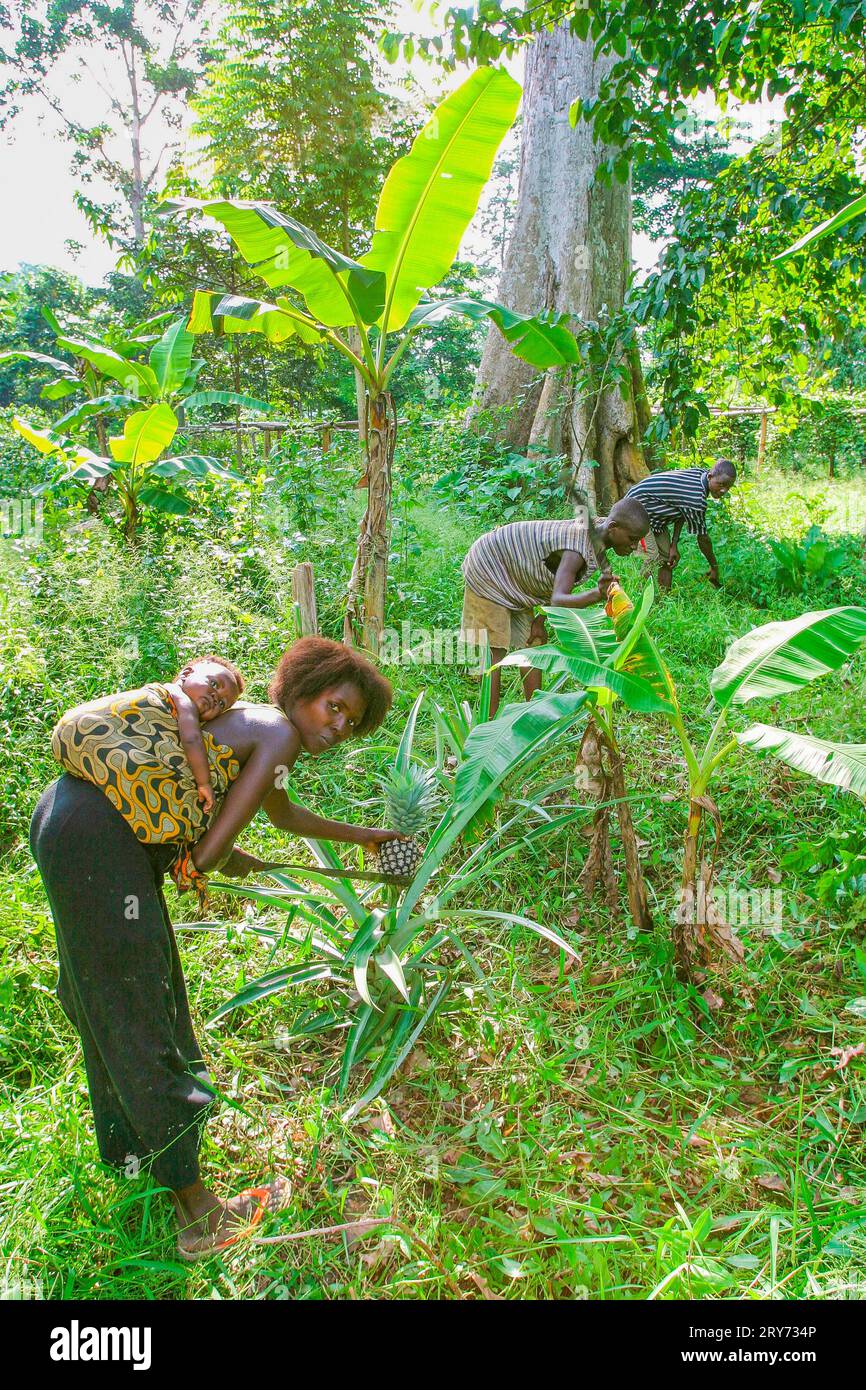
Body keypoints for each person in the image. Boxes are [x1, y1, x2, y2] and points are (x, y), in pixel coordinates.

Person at [30, 637, 403, 1260]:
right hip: (101, 842)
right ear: (301, 692)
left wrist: (364, 837)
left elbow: (279, 813)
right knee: (138, 1005)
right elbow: (202, 856)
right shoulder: (276, 731)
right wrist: (227, 859)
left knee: (108, 994)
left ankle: (132, 1159)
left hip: (72, 820)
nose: (339, 726)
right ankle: (201, 1216)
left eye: (352, 722)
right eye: (334, 707)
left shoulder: (256, 729)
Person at [459, 500, 651, 715]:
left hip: (519, 580)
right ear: (613, 527)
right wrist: (597, 595)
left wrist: (540, 619)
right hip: (489, 566)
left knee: (533, 645)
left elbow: (553, 579)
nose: (634, 546)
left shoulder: (598, 532)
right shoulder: (577, 550)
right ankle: (487, 724)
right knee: (494, 651)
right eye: (632, 539)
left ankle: (536, 717)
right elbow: (559, 600)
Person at [625, 458, 737, 592]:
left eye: (728, 487)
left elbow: (682, 510)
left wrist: (674, 544)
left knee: (667, 559)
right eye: (721, 484)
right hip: (635, 513)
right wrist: (714, 566)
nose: (724, 490)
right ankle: (640, 600)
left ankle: (663, 601)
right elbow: (703, 540)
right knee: (651, 558)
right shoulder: (696, 498)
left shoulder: (700, 475)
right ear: (710, 476)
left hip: (655, 519)